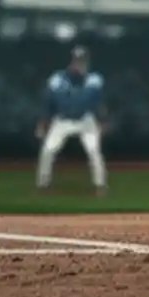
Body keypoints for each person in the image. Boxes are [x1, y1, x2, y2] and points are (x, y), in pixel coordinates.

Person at [36, 45, 109, 196]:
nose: (79, 64)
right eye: (77, 61)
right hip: (62, 120)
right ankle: (43, 185)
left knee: (94, 151)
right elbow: (48, 102)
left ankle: (100, 185)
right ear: (71, 61)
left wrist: (102, 121)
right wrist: (43, 123)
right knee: (48, 150)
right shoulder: (57, 79)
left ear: (87, 62)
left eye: (82, 61)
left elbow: (99, 103)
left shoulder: (94, 79)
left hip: (85, 120)